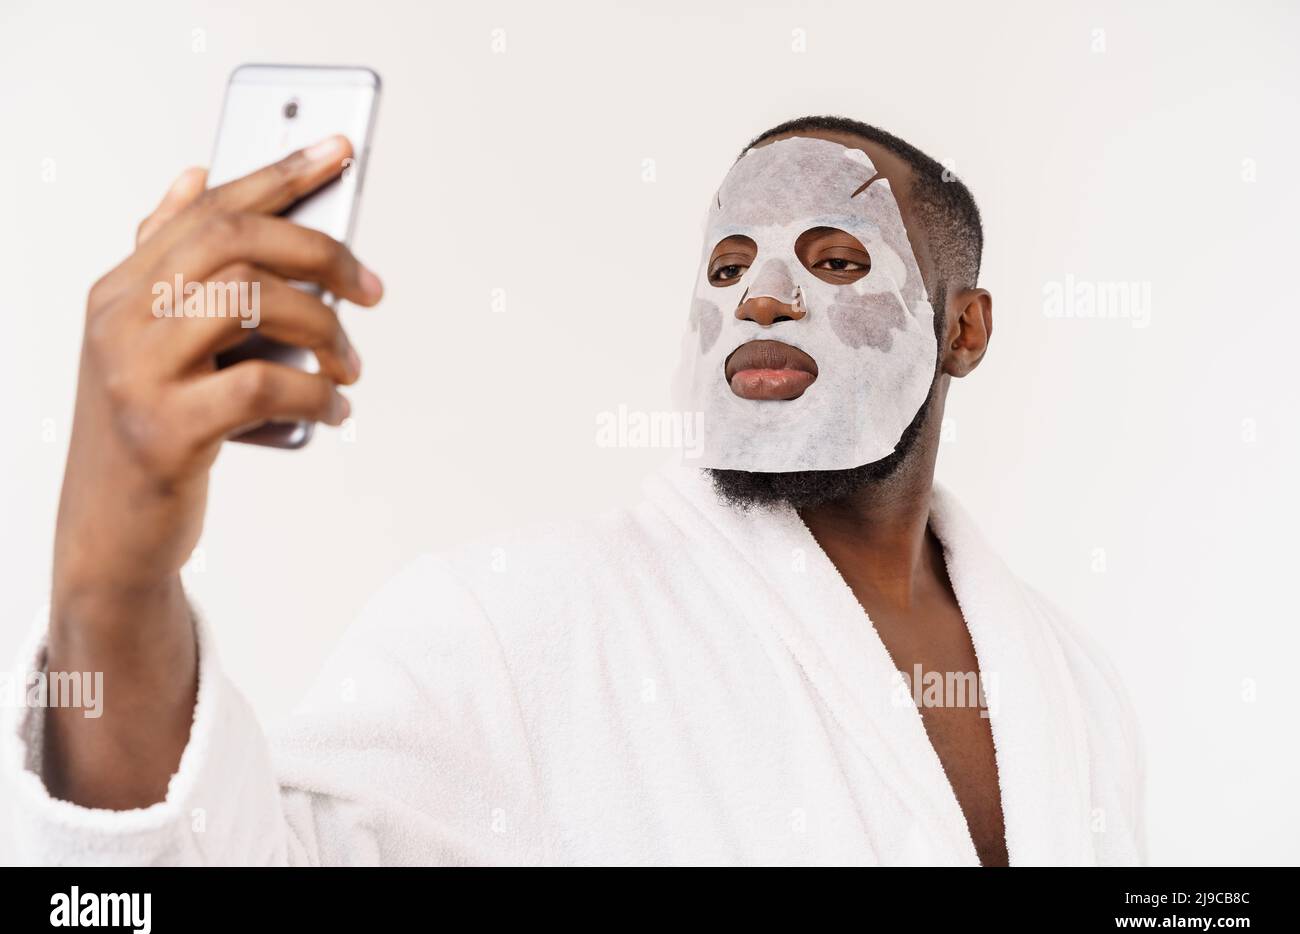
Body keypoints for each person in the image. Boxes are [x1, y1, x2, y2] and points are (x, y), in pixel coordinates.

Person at [3, 115, 1144, 866]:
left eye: (833, 259)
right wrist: (108, 580)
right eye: (728, 264)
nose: (760, 297)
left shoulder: (1073, 687)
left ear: (965, 326)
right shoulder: (515, 621)